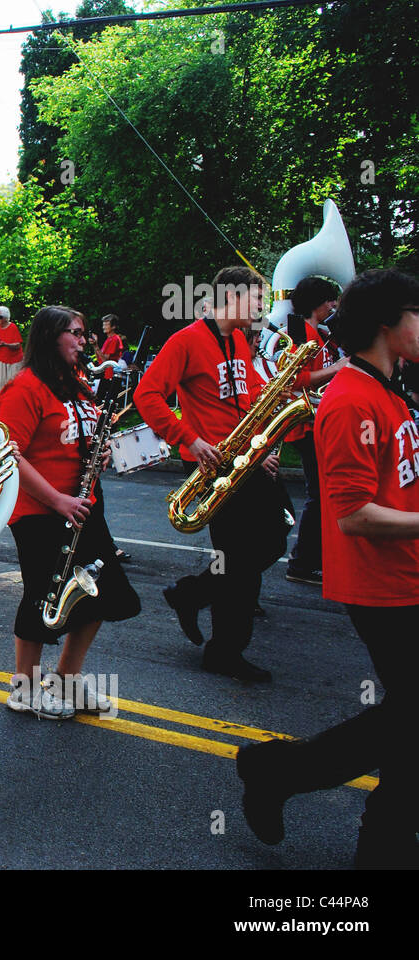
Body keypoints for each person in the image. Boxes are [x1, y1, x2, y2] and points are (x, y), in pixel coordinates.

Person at [235, 268, 419, 868]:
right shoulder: (350, 398)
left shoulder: (393, 391)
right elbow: (354, 516)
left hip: (408, 577)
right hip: (385, 589)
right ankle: (375, 840)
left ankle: (277, 772)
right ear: (388, 324)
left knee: (406, 721)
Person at [135, 266, 293, 683]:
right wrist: (189, 438)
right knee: (238, 558)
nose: (263, 307)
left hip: (245, 457)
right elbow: (147, 395)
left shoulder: (239, 339)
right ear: (234, 298)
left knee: (272, 541)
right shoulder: (185, 340)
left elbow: (249, 396)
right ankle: (224, 650)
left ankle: (191, 594)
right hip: (212, 463)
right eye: (258, 299)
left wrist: (266, 440)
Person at [0, 306, 140, 718]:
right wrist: (58, 500)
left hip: (85, 506)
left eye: (84, 333)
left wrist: (104, 451)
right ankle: (23, 688)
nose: (84, 341)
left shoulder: (76, 384)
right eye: (75, 334)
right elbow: (11, 455)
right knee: (43, 599)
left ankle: (66, 679)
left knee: (98, 596)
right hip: (41, 512)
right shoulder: (24, 388)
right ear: (49, 338)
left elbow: (82, 437)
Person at [283, 276, 349, 585]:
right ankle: (301, 563)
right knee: (319, 494)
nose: (333, 306)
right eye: (330, 301)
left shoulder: (320, 334)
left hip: (317, 421)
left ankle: (312, 559)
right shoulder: (301, 333)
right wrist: (337, 369)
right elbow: (297, 380)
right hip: (305, 424)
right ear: (316, 303)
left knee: (322, 493)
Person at [95, 314, 126, 407]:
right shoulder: (109, 339)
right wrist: (94, 346)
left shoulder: (114, 339)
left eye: (106, 324)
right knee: (100, 399)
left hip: (111, 374)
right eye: (103, 324)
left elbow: (106, 360)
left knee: (104, 400)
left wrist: (96, 346)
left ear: (113, 327)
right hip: (106, 373)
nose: (103, 327)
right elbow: (99, 359)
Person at [0, 306, 25, 390]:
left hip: (14, 360)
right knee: (1, 384)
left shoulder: (12, 327)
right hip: (2, 360)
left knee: (13, 384)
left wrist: (6, 344)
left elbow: (18, 345)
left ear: (5, 318)